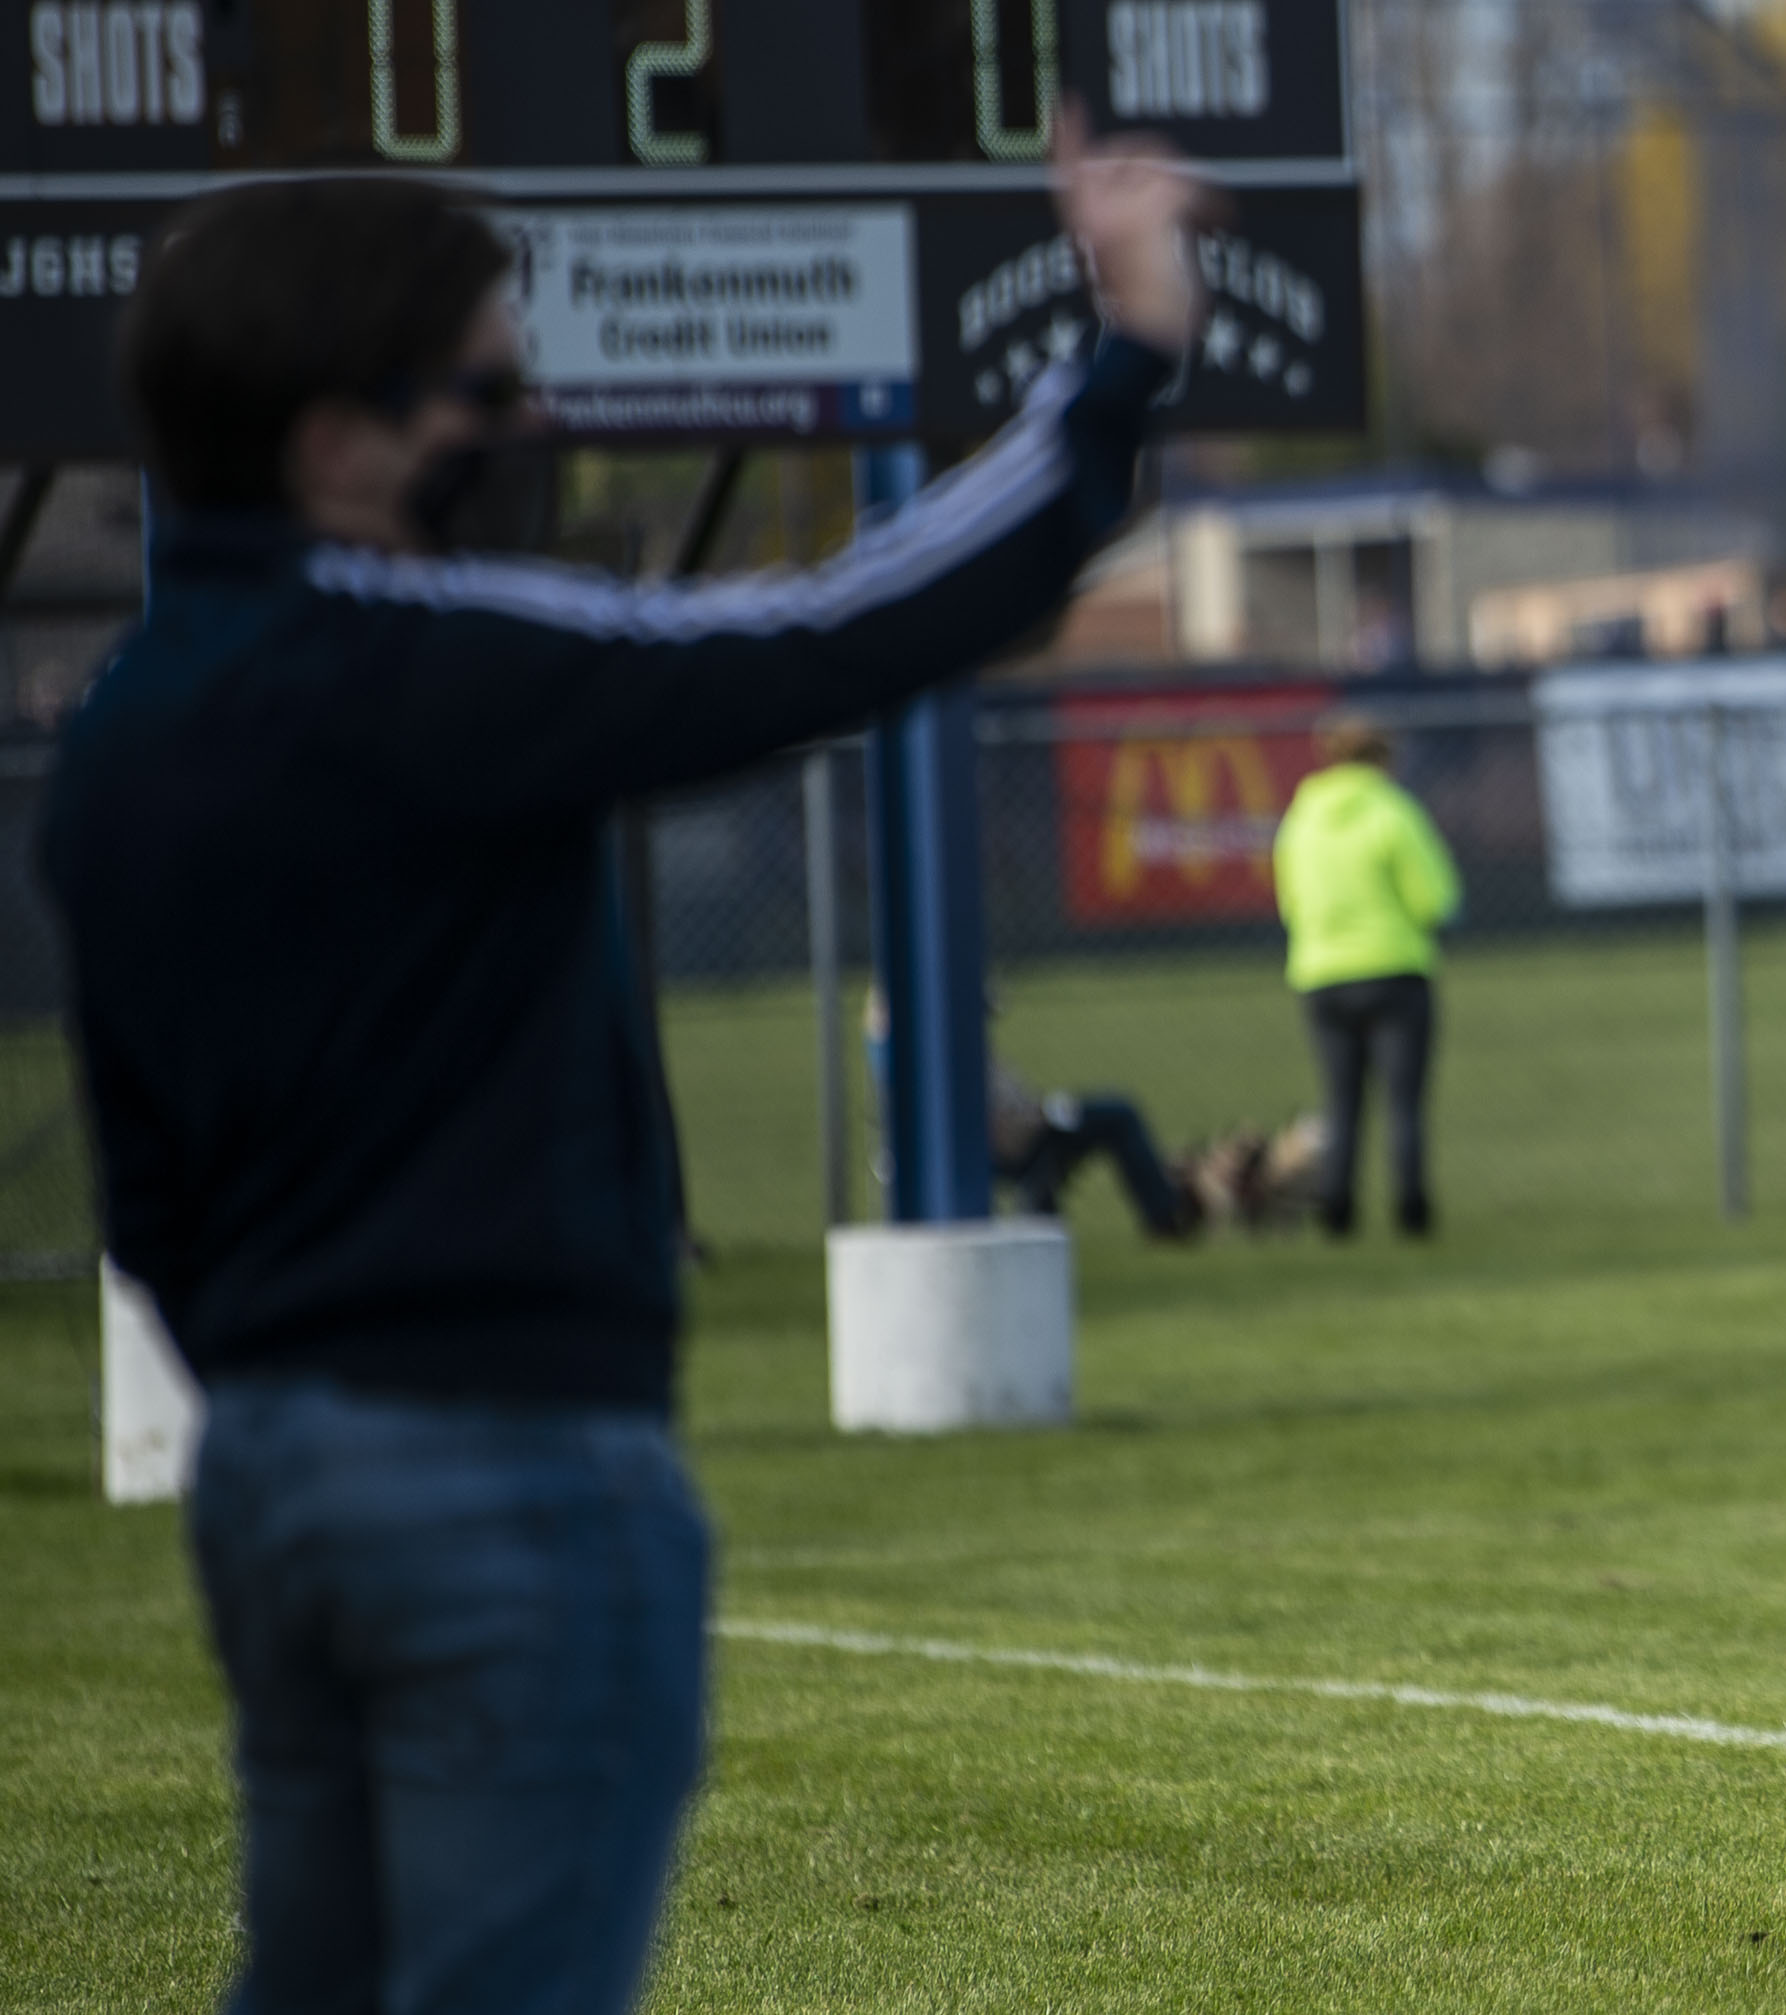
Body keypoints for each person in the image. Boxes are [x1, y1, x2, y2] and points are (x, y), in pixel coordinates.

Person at [40, 134, 1203, 2015]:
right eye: (489, 388)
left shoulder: (119, 735)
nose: (532, 420)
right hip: (507, 1467)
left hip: (267, 1469)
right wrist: (1124, 358)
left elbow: (147, 1182)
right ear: (338, 436)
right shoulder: (424, 663)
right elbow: (827, 634)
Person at [1272, 713, 1460, 1238]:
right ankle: (1411, 1210)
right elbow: (1434, 896)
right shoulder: (1393, 813)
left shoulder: (1301, 819)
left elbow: (1290, 900)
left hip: (1322, 975)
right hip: (1394, 971)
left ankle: (1337, 1209)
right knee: (1403, 1101)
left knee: (1341, 1099)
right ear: (1383, 759)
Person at [862, 987, 1200, 1238]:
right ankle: (1165, 1214)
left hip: (1021, 1129)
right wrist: (1042, 1117)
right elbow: (1000, 1128)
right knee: (1117, 1114)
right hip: (1016, 1140)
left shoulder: (948, 1055)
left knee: (1104, 1114)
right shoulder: (940, 1062)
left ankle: (1163, 1211)